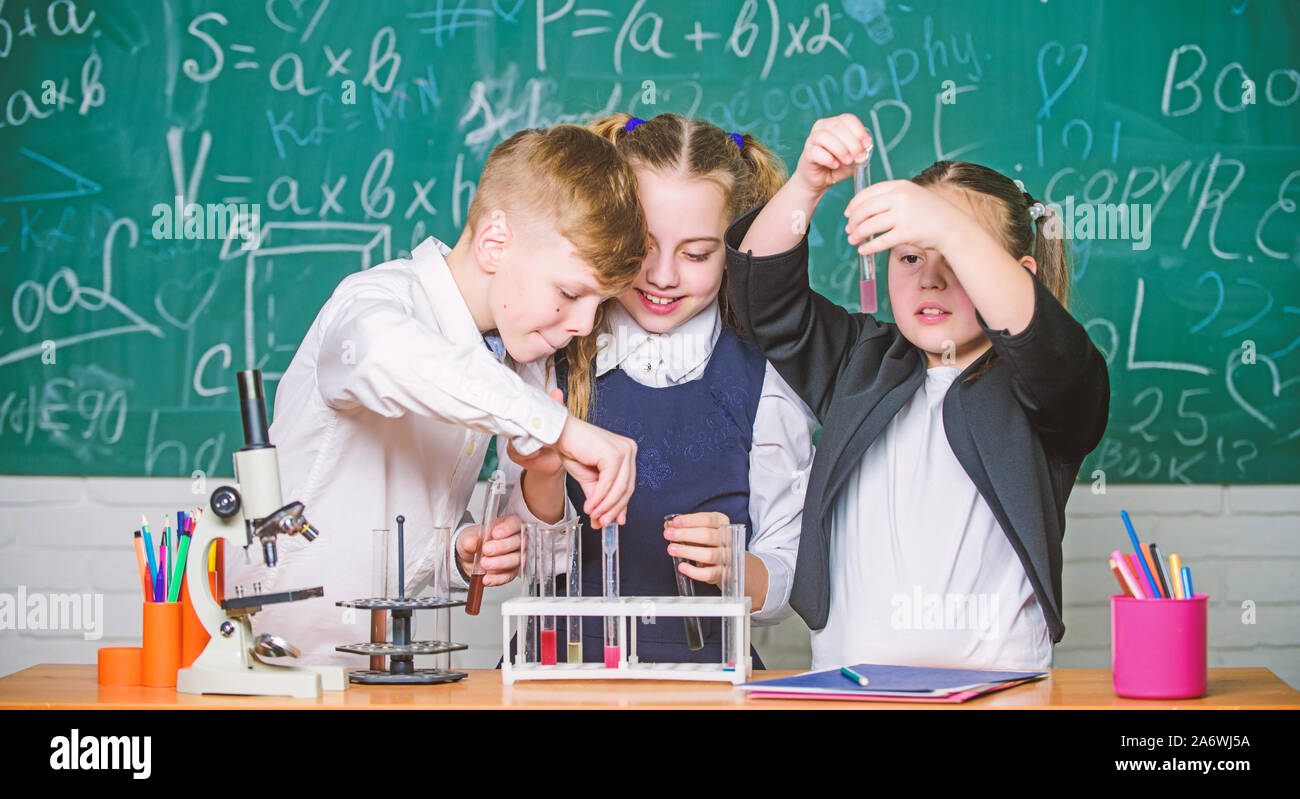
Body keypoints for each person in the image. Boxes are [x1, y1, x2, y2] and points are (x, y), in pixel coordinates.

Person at [228, 125, 644, 666]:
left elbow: (550, 554)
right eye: (569, 293)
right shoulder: (376, 302)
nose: (583, 324)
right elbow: (385, 357)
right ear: (495, 244)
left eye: (598, 304)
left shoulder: (518, 362)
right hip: (278, 653)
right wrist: (560, 426)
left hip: (374, 662)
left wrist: (460, 548)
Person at [725, 113, 1109, 671]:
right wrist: (807, 183)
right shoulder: (860, 360)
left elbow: (1046, 344)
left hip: (1000, 695)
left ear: (1017, 272)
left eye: (954, 256)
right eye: (910, 256)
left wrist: (950, 227)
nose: (929, 278)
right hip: (848, 690)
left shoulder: (1046, 391)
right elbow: (762, 298)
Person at [510, 113, 815, 666]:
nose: (664, 276)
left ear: (735, 248)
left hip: (707, 679)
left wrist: (735, 566)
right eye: (643, 247)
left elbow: (788, 568)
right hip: (559, 671)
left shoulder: (766, 372)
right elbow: (529, 555)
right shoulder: (553, 351)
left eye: (697, 255)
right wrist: (544, 473)